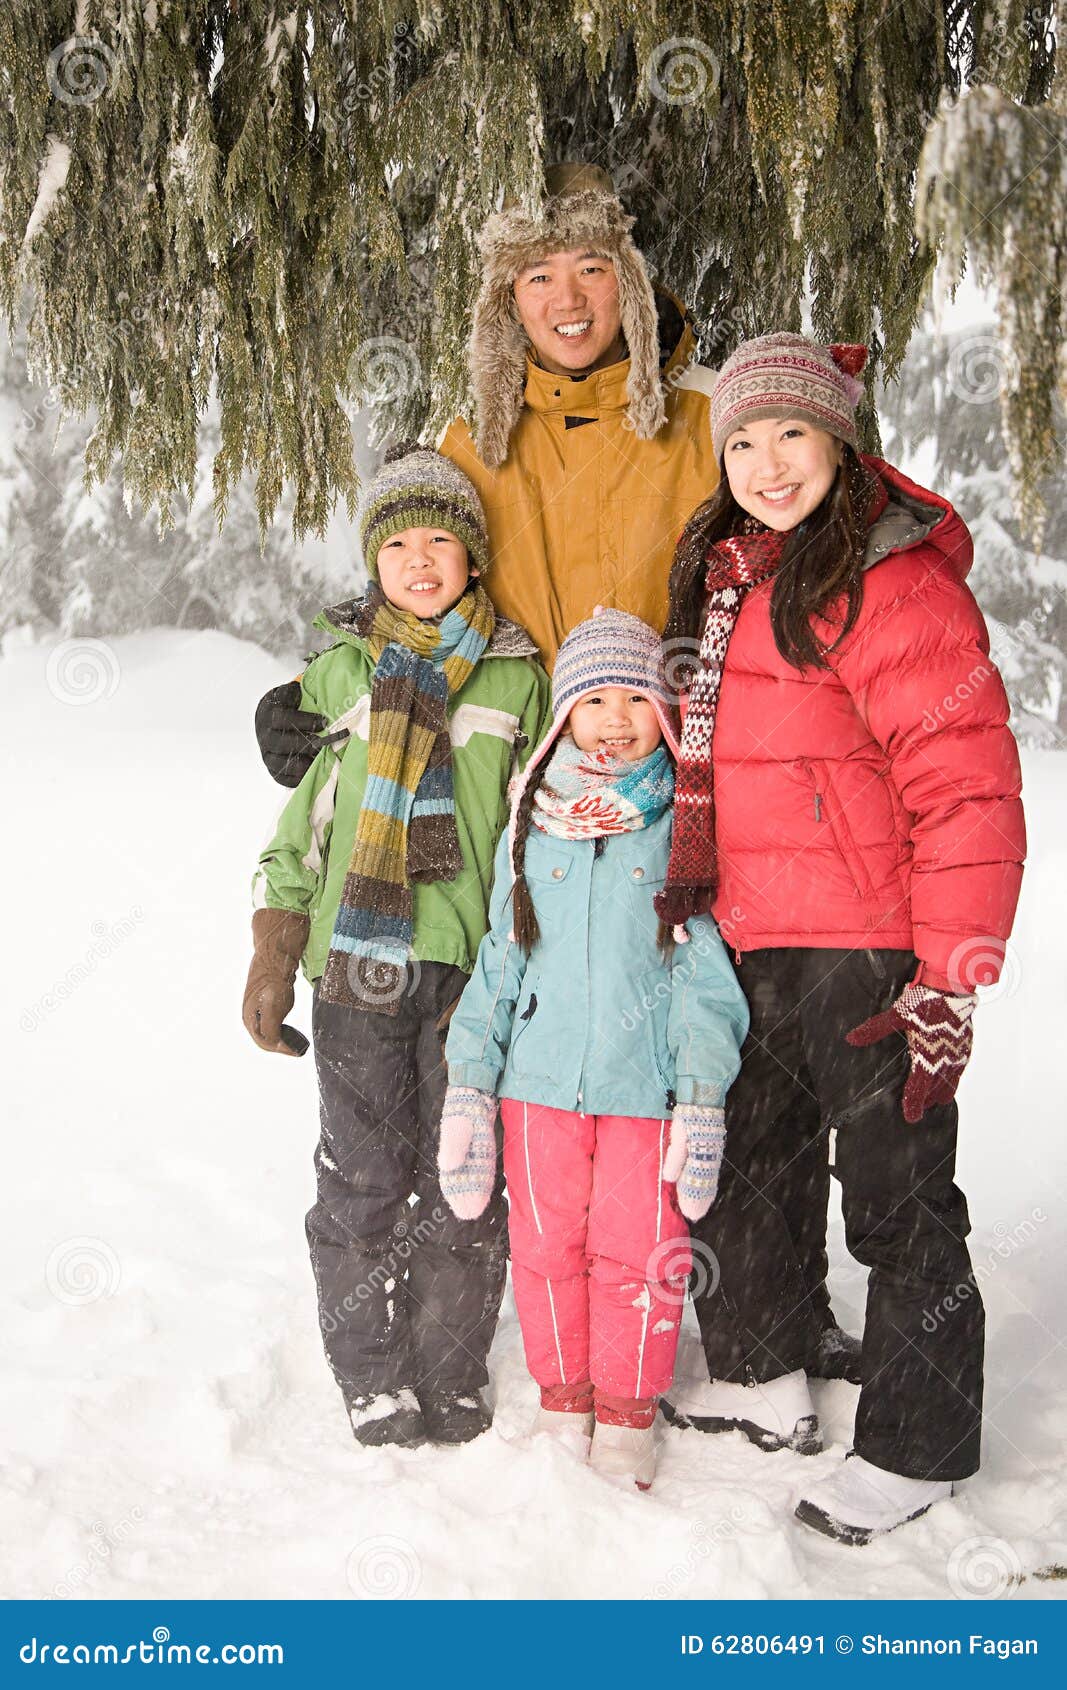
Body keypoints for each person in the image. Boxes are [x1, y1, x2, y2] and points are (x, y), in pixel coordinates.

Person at [253, 165, 859, 1383]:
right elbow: (419, 578)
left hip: (688, 766)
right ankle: (554, 1290)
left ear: (624, 280)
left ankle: (763, 1320)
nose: (566, 299)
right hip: (532, 783)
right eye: (536, 277)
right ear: (505, 305)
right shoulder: (475, 441)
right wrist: (304, 686)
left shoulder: (696, 422)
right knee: (542, 1031)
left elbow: (786, 538)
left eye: (588, 268)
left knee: (716, 1034)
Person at [654, 333, 1025, 1541]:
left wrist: (949, 970)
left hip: (868, 944)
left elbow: (964, 785)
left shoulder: (888, 578)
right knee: (747, 1172)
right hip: (741, 937)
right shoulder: (724, 578)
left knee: (895, 1200)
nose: (766, 462)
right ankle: (763, 1365)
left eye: (791, 435)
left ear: (839, 442)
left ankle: (916, 1445)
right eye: (744, 440)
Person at [242, 447, 552, 1449]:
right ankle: (370, 1372)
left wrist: (520, 959)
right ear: (373, 559)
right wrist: (273, 944)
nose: (421, 561)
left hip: (468, 972)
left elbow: (528, 833)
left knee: (462, 1181)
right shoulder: (338, 672)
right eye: (398, 543)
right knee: (366, 1180)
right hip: (355, 965)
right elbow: (307, 822)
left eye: (441, 540)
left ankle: (450, 1365)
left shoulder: (516, 675)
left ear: (471, 553)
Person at [435, 610, 749, 1490]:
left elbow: (703, 977)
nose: (615, 719)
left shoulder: (680, 826)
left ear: (663, 708)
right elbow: (500, 954)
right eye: (593, 699)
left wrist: (699, 1093)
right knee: (542, 1250)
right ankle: (563, 1398)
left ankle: (625, 1416)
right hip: (534, 1087)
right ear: (564, 713)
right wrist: (470, 1083)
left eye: (634, 700)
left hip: (642, 1092)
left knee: (638, 1256)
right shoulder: (528, 825)